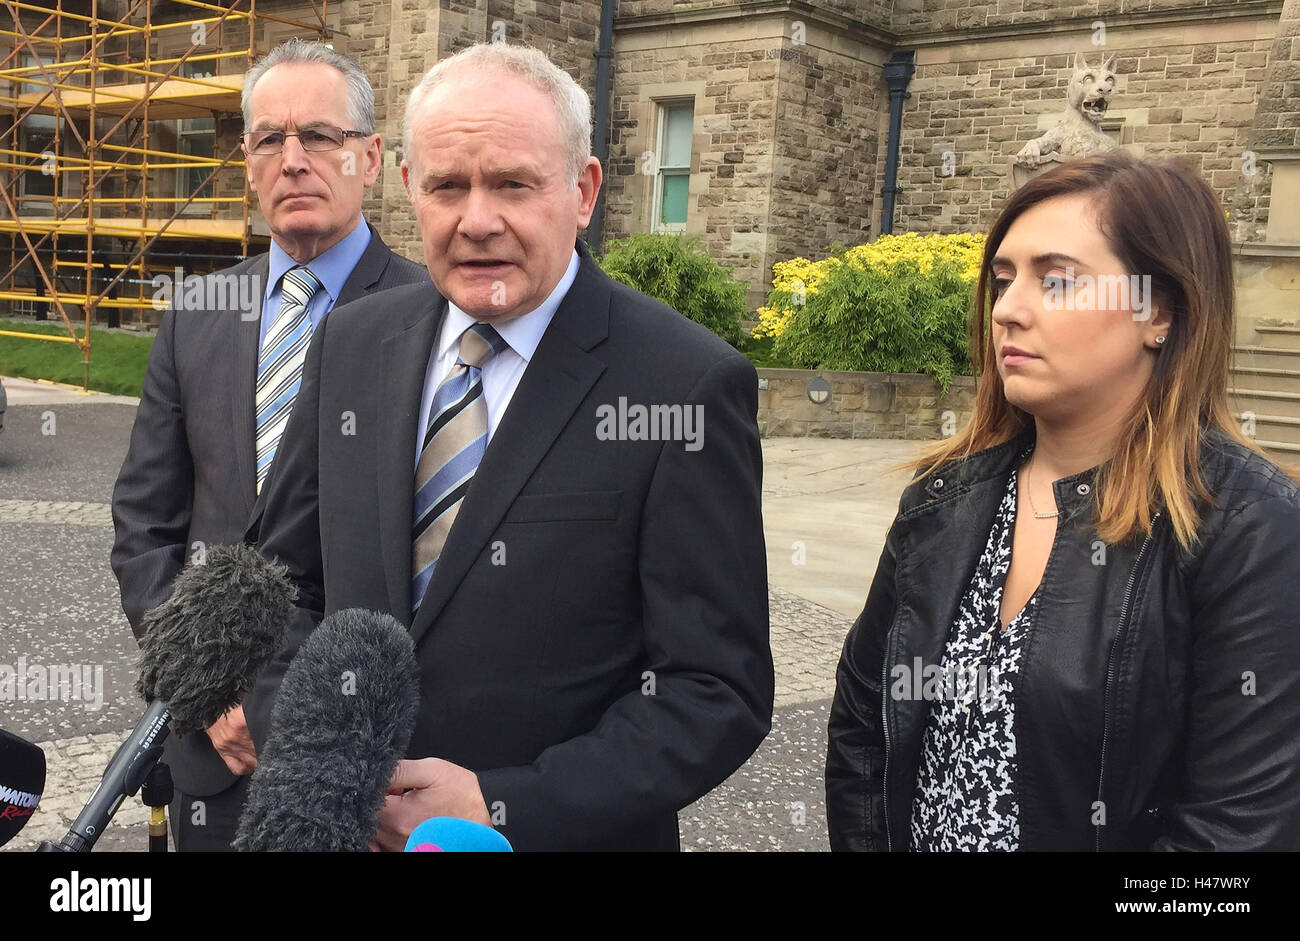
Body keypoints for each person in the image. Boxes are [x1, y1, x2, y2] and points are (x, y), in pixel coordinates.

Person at [242, 42, 774, 851]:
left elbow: (715, 690)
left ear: (583, 190)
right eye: (449, 185)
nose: (477, 218)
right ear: (411, 188)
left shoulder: (685, 385)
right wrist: (329, 763)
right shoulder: (353, 342)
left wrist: (498, 804)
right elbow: (279, 587)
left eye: (514, 184)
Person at [825, 150, 1300, 851]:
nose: (1008, 311)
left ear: (1157, 310)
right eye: (1003, 280)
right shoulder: (945, 499)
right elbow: (864, 726)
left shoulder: (1247, 526)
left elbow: (1238, 831)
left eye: (1057, 281)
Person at [110, 39, 428, 851]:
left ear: (369, 156)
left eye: (318, 136)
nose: (293, 160)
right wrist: (201, 686)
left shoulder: (432, 314)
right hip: (209, 750)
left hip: (366, 763)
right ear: (247, 164)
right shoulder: (199, 311)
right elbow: (146, 523)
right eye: (267, 140)